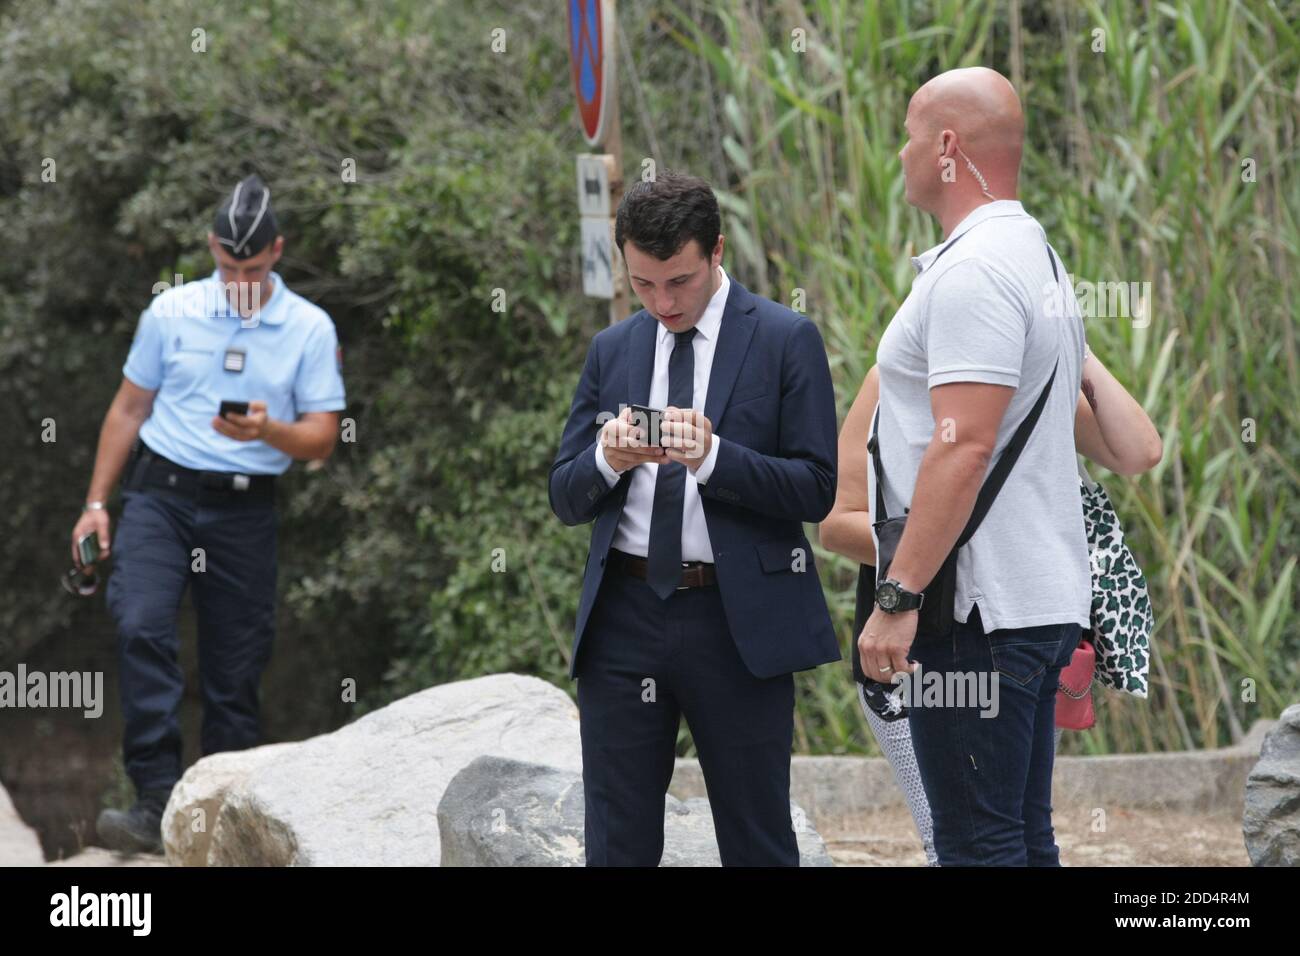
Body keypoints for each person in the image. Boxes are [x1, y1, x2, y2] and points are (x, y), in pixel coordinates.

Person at [850, 65, 1129, 866]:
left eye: (908, 135)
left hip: (975, 616)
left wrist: (898, 596)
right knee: (1019, 835)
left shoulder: (974, 272)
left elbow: (962, 445)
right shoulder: (1034, 254)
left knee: (976, 844)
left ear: (945, 148)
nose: (899, 153)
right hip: (1034, 604)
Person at [548, 171, 840, 866]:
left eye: (677, 281)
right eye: (643, 285)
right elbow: (563, 495)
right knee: (616, 841)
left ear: (716, 250)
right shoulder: (613, 348)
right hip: (623, 614)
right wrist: (609, 460)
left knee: (756, 837)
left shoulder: (783, 337)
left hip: (735, 619)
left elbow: (816, 489)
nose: (662, 302)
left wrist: (712, 458)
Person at [70, 174, 347, 853]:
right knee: (140, 625)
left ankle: (221, 815)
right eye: (229, 267)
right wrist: (95, 505)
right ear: (211, 251)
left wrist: (267, 432)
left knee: (235, 665)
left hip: (245, 508)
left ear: (277, 251)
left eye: (253, 269)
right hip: (160, 494)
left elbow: (322, 438)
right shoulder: (172, 312)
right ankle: (155, 800)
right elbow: (128, 408)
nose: (241, 281)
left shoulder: (309, 327)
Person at [823, 353, 1161, 864]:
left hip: (1020, 630)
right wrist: (934, 548)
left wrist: (1076, 352)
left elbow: (1140, 451)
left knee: (1024, 834)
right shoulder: (891, 379)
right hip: (913, 646)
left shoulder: (1033, 381)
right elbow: (836, 523)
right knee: (956, 840)